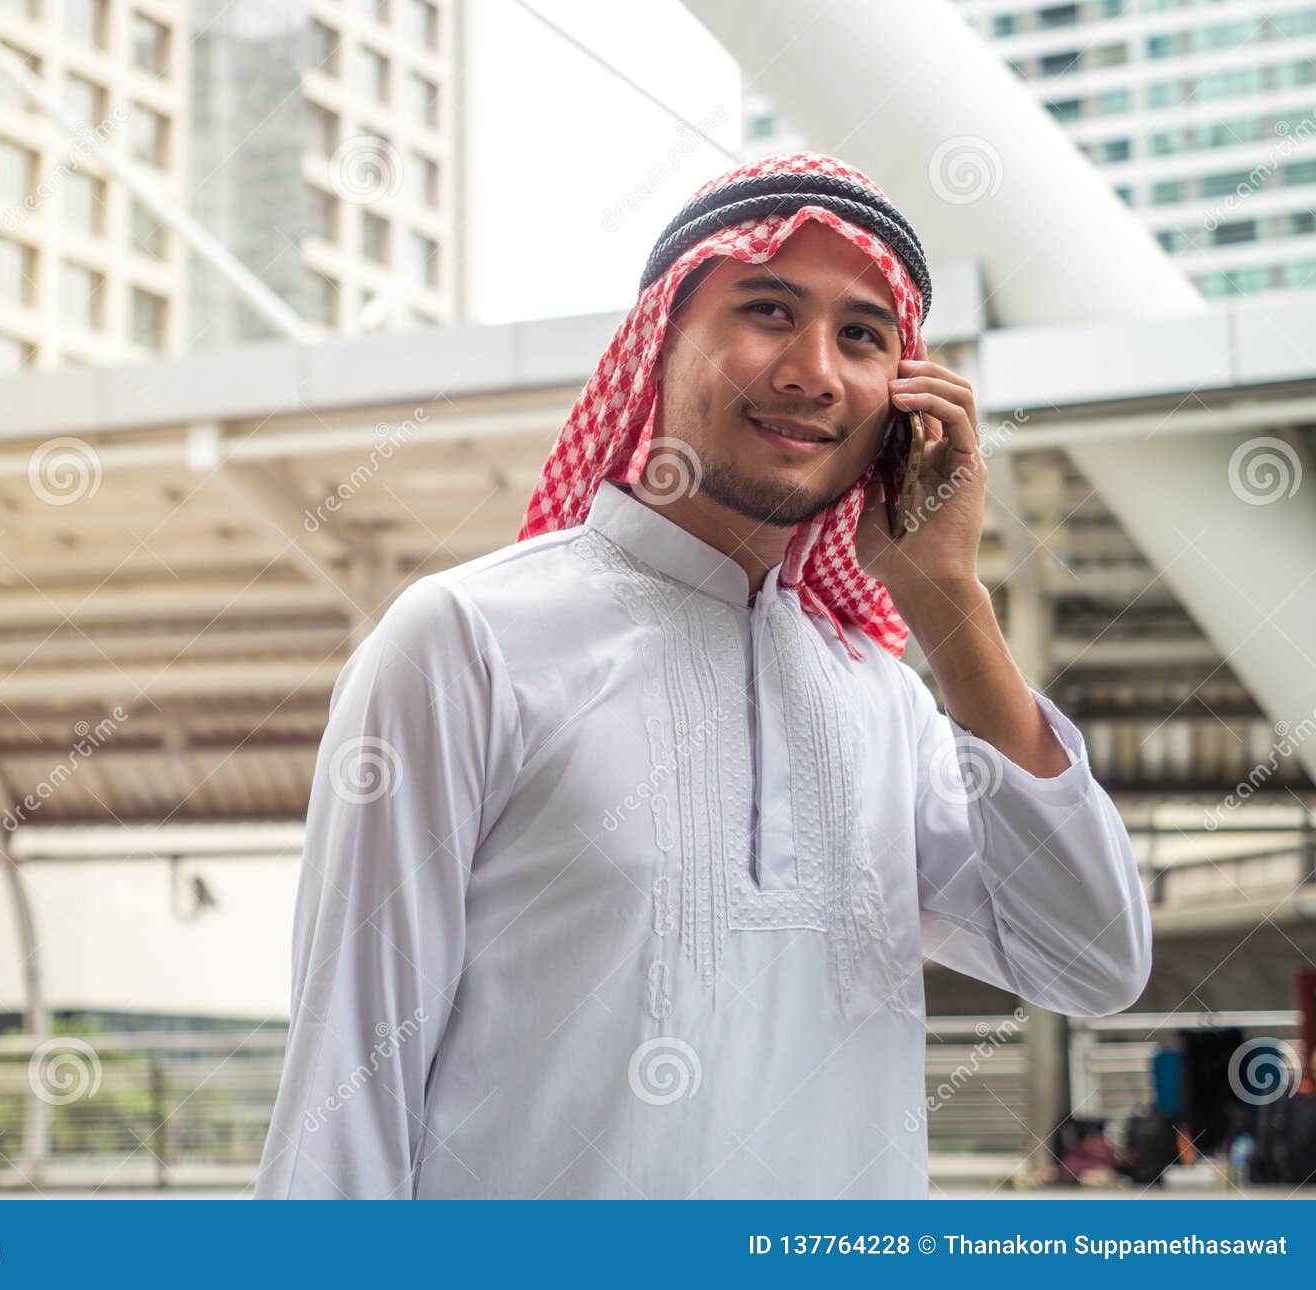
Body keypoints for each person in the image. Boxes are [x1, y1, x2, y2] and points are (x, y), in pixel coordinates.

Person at [252, 151, 1153, 1200]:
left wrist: (946, 604)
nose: (814, 371)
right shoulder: (468, 641)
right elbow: (346, 1091)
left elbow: (1090, 961)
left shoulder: (882, 699)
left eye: (862, 336)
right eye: (767, 311)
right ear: (654, 347)